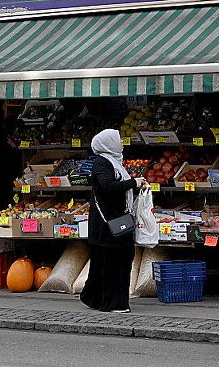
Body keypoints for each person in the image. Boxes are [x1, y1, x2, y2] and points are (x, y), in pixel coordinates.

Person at [80, 128, 149, 313]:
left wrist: (136, 186)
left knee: (112, 263)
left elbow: (118, 190)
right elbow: (108, 187)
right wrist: (133, 183)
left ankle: (94, 298)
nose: (122, 144)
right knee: (114, 263)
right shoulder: (102, 163)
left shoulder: (114, 163)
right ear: (108, 144)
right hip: (108, 226)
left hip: (116, 221)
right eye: (119, 140)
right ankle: (112, 303)